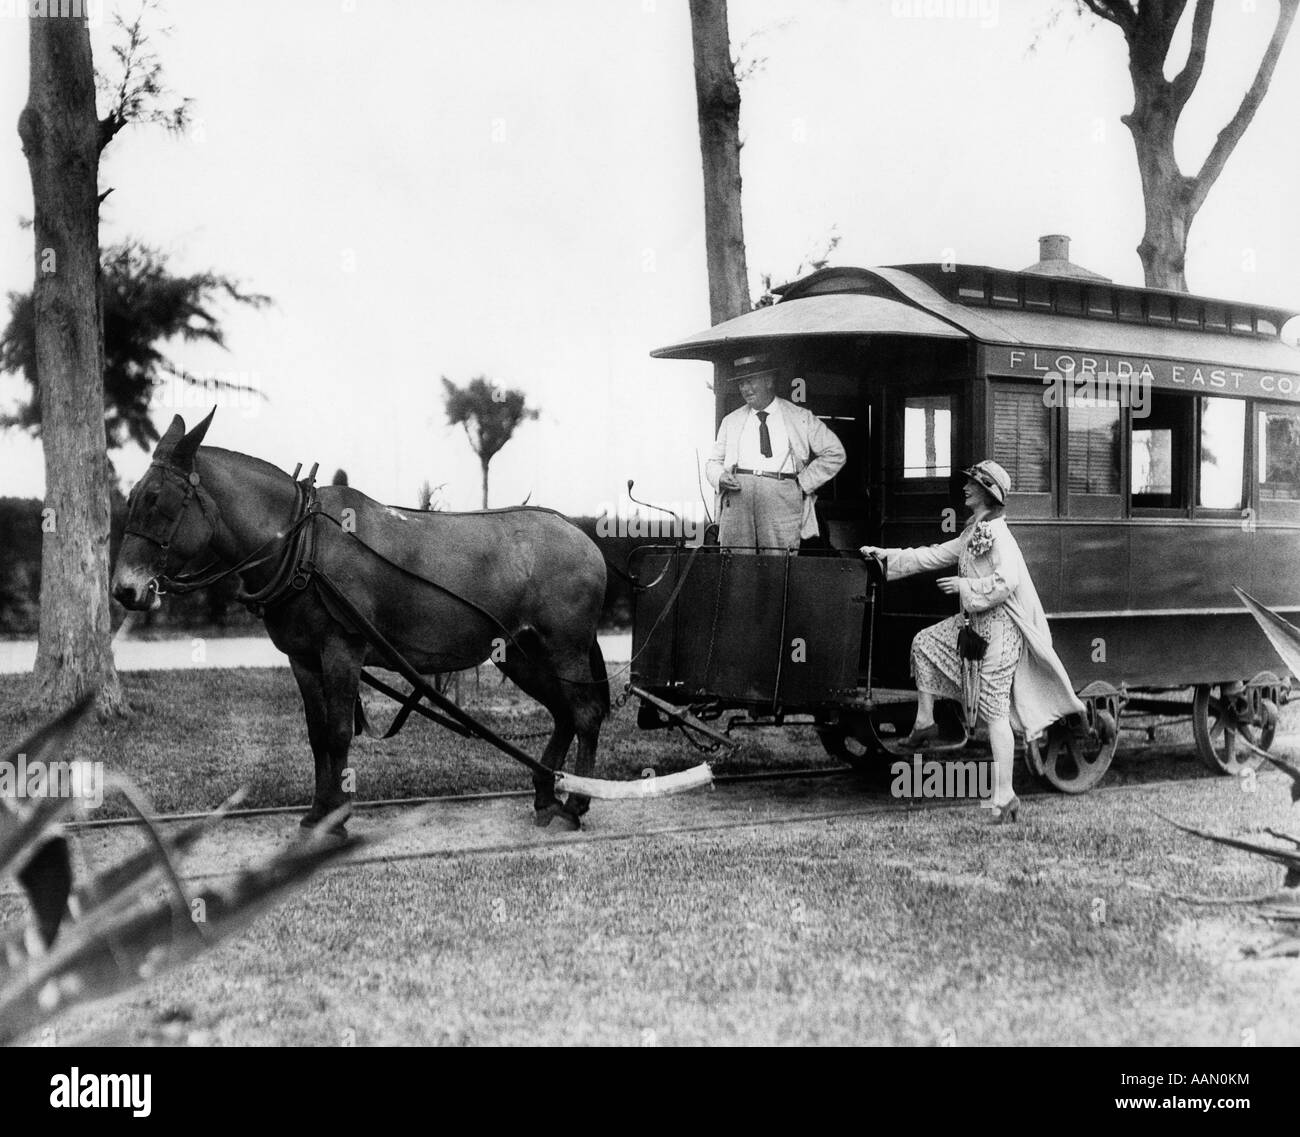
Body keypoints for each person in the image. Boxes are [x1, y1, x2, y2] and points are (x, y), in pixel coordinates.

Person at [859, 459, 1085, 823]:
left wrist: (966, 586)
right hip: (975, 626)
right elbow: (934, 554)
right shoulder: (975, 531)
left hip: (998, 632)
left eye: (972, 485)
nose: (964, 489)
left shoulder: (997, 535)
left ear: (987, 494)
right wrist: (886, 558)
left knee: (994, 713)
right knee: (925, 643)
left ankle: (1005, 796)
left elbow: (1006, 581)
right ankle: (925, 721)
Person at [705, 353, 846, 551]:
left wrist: (803, 483)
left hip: (782, 500)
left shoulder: (799, 416)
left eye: (750, 381)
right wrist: (719, 477)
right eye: (741, 384)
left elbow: (835, 453)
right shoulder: (731, 420)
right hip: (738, 500)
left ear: (769, 380)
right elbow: (713, 461)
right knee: (735, 564)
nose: (745, 389)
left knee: (778, 563)